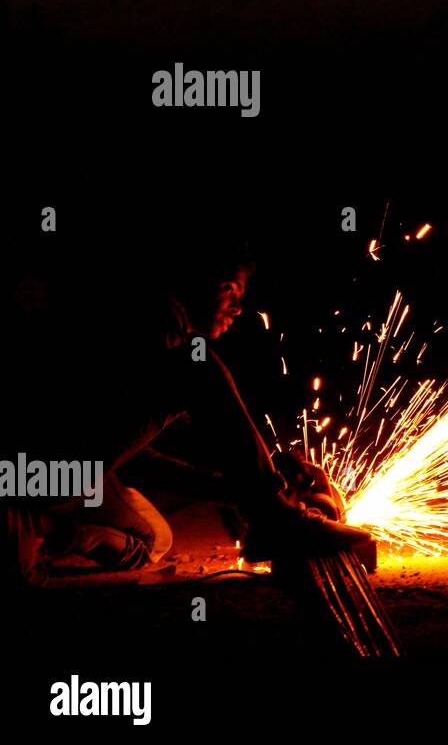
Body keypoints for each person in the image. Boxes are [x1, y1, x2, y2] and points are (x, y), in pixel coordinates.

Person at [2, 231, 367, 589]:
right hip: (33, 476)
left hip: (53, 477)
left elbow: (138, 459)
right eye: (229, 289)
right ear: (191, 281)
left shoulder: (145, 361)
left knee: (153, 540)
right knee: (197, 362)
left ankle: (37, 524)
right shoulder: (147, 324)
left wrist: (259, 479)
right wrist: (269, 502)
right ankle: (279, 521)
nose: (237, 307)